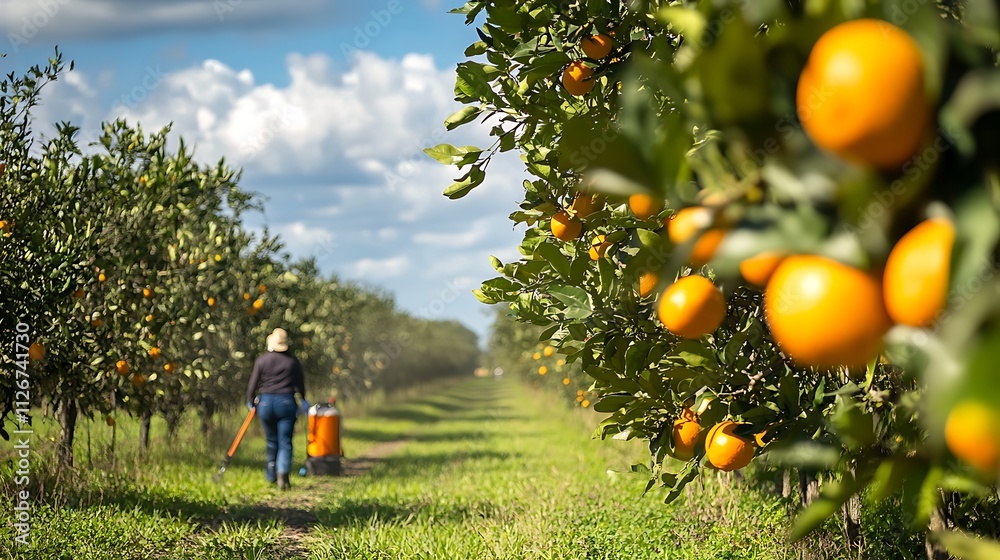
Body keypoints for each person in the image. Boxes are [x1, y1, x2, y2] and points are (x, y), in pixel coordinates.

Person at [246, 327, 307, 490]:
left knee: (272, 441)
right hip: (286, 403)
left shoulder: (262, 360)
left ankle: (270, 474)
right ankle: (283, 476)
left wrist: (251, 401)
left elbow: (252, 385)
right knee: (285, 442)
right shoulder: (292, 361)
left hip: (265, 403)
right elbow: (300, 385)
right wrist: (303, 399)